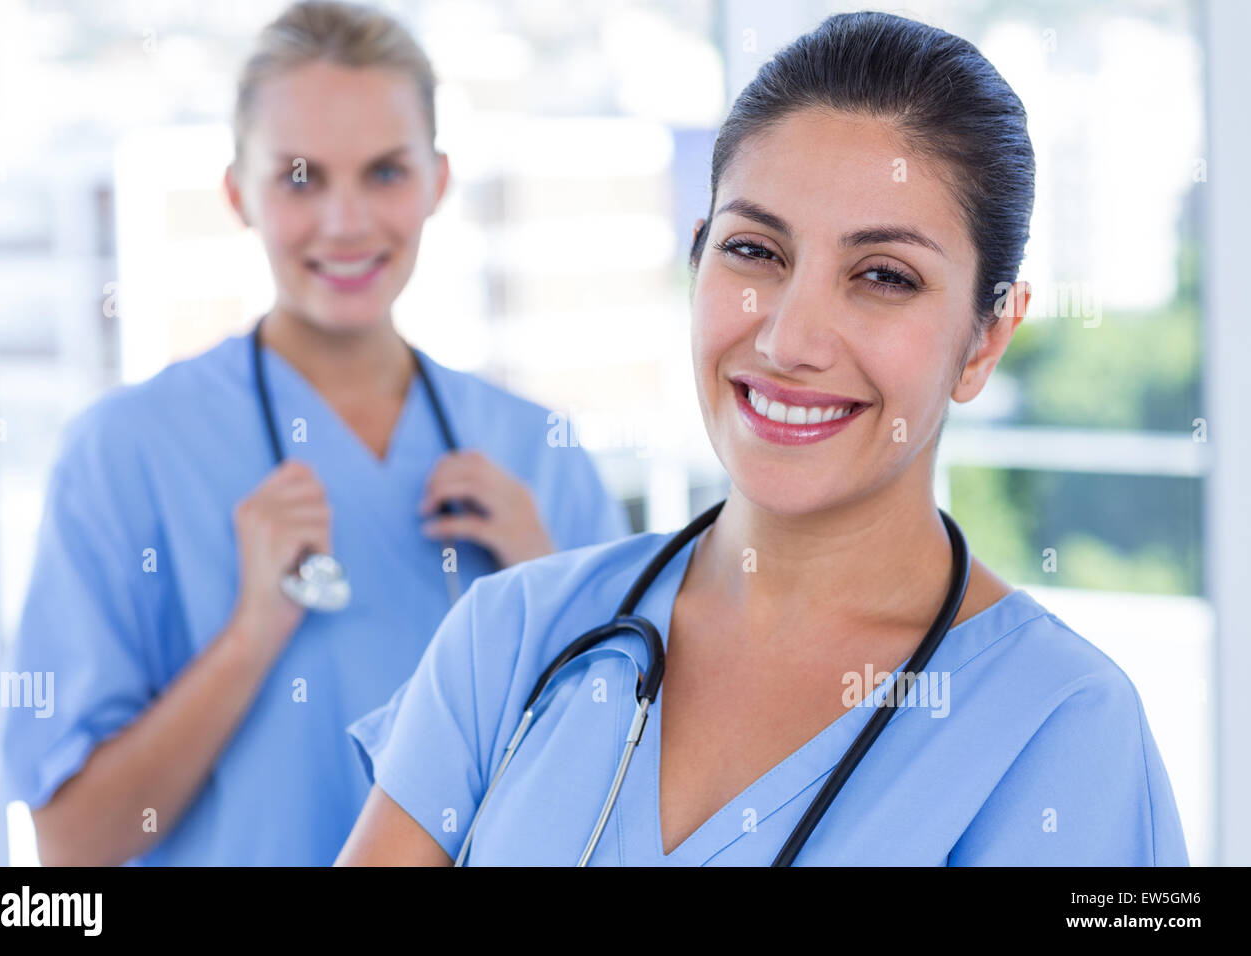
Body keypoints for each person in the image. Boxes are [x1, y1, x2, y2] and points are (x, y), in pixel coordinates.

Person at [336, 11, 1189, 866]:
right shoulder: (512, 637)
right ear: (699, 259)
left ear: (988, 337)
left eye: (884, 276)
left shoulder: (1066, 725)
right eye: (754, 250)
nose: (788, 339)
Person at [0, 0, 628, 866]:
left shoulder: (538, 456)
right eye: (300, 176)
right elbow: (71, 846)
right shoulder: (124, 454)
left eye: (385, 173)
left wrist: (546, 609)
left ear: (439, 181)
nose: (345, 222)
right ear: (237, 194)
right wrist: (252, 632)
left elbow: (640, 800)